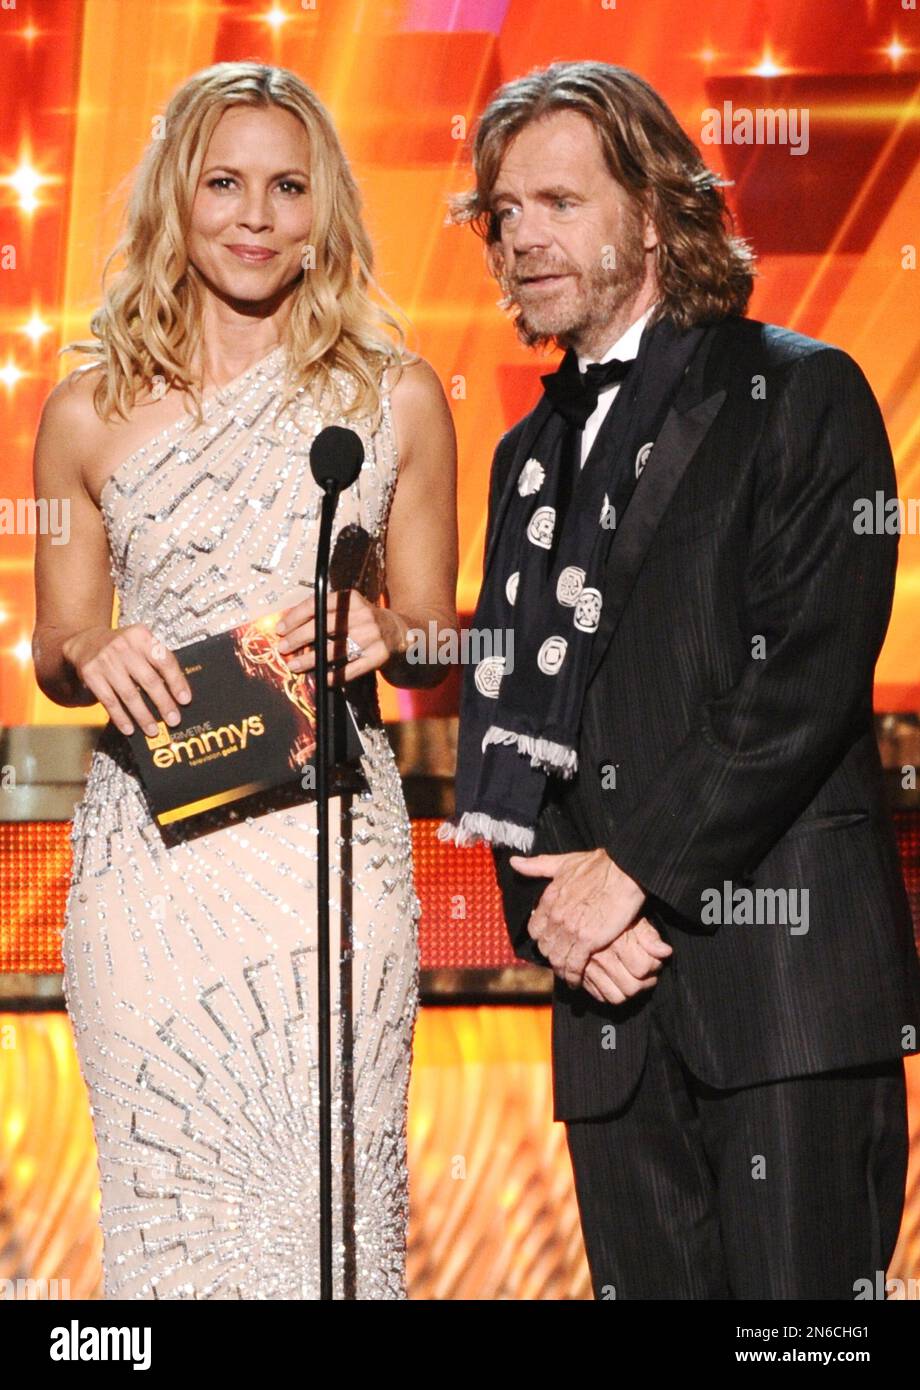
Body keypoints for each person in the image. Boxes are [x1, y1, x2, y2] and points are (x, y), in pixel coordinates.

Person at [440, 60, 920, 1300]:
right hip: (609, 1015)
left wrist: (631, 876)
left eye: (557, 201)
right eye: (503, 212)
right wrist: (554, 906)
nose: (522, 236)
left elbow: (802, 683)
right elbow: (506, 701)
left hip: (782, 1007)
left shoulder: (798, 390)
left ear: (652, 211)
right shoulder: (520, 456)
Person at [32, 61, 458, 1300]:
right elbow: (56, 649)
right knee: (170, 1228)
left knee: (330, 1217)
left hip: (332, 851)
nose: (255, 216)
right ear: (178, 197)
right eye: (224, 183)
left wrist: (389, 627)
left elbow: (436, 627)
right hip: (153, 864)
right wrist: (89, 650)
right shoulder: (85, 413)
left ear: (324, 211)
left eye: (287, 186)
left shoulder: (397, 400)